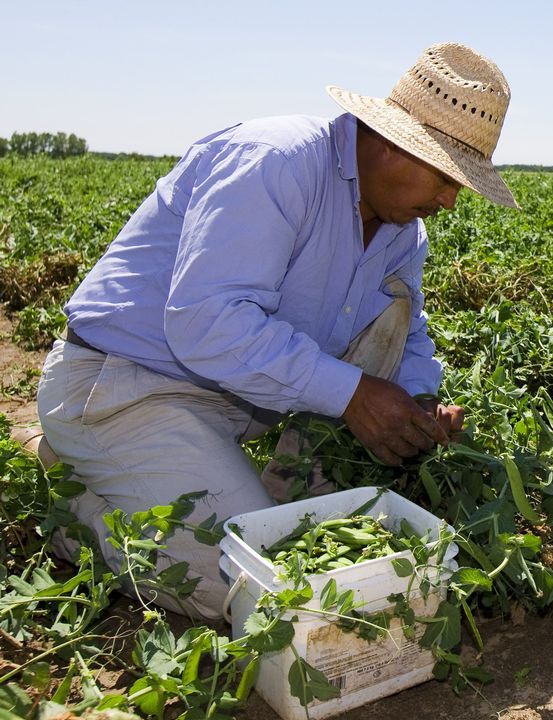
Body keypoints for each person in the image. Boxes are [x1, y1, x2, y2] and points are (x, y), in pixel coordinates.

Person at [35, 42, 517, 620]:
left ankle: (244, 485)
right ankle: (72, 505)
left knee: (388, 318)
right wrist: (354, 395)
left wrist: (420, 399)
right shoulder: (276, 162)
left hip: (239, 404)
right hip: (127, 389)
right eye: (445, 176)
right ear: (392, 144)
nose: (449, 199)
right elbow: (206, 320)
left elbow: (408, 334)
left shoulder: (400, 231)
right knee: (243, 589)